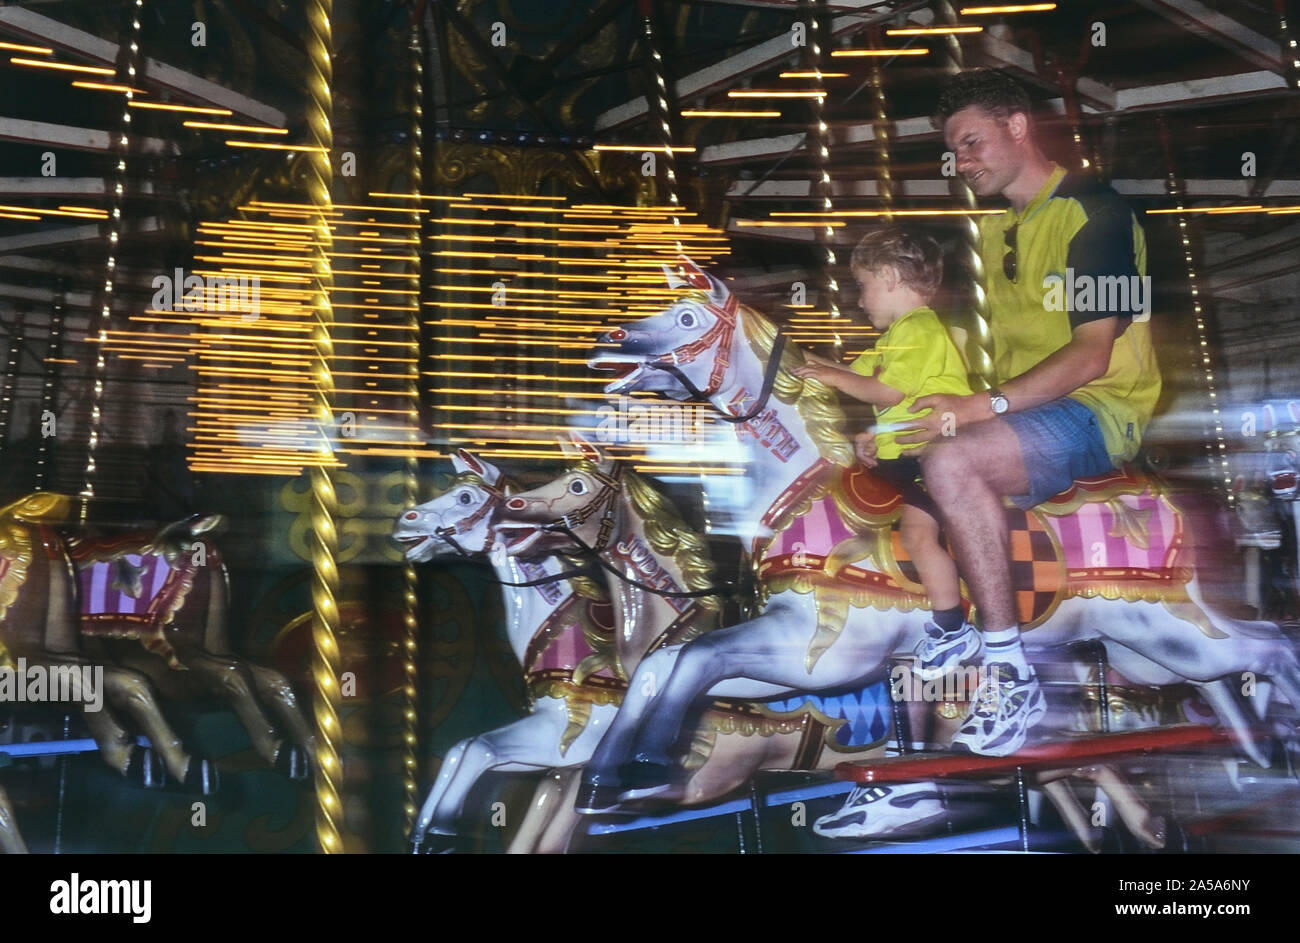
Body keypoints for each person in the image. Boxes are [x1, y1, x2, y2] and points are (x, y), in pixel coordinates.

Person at [892, 68, 1162, 755]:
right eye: (954, 150)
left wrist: (976, 408)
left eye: (973, 141)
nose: (962, 162)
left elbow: (1091, 356)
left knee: (952, 454)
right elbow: (990, 363)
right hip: (1030, 414)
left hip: (1099, 410)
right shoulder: (997, 232)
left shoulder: (1094, 212)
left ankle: (1008, 668)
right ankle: (949, 630)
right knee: (902, 455)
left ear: (1019, 127)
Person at [792, 227, 979, 680]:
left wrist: (836, 380)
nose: (859, 300)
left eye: (864, 285)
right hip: (909, 457)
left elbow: (884, 388)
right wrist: (798, 360)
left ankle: (952, 627)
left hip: (937, 457)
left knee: (917, 536)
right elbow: (861, 380)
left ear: (891, 276)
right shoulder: (894, 340)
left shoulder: (919, 330)